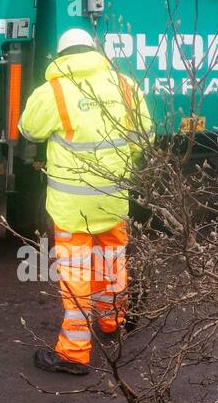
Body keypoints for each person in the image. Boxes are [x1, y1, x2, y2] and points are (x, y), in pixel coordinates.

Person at [18, 28, 152, 375]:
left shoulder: (54, 90)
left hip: (71, 208)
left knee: (76, 273)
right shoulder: (125, 86)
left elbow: (29, 131)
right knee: (111, 260)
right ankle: (111, 321)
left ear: (60, 56)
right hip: (113, 198)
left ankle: (75, 353)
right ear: (94, 50)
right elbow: (143, 139)